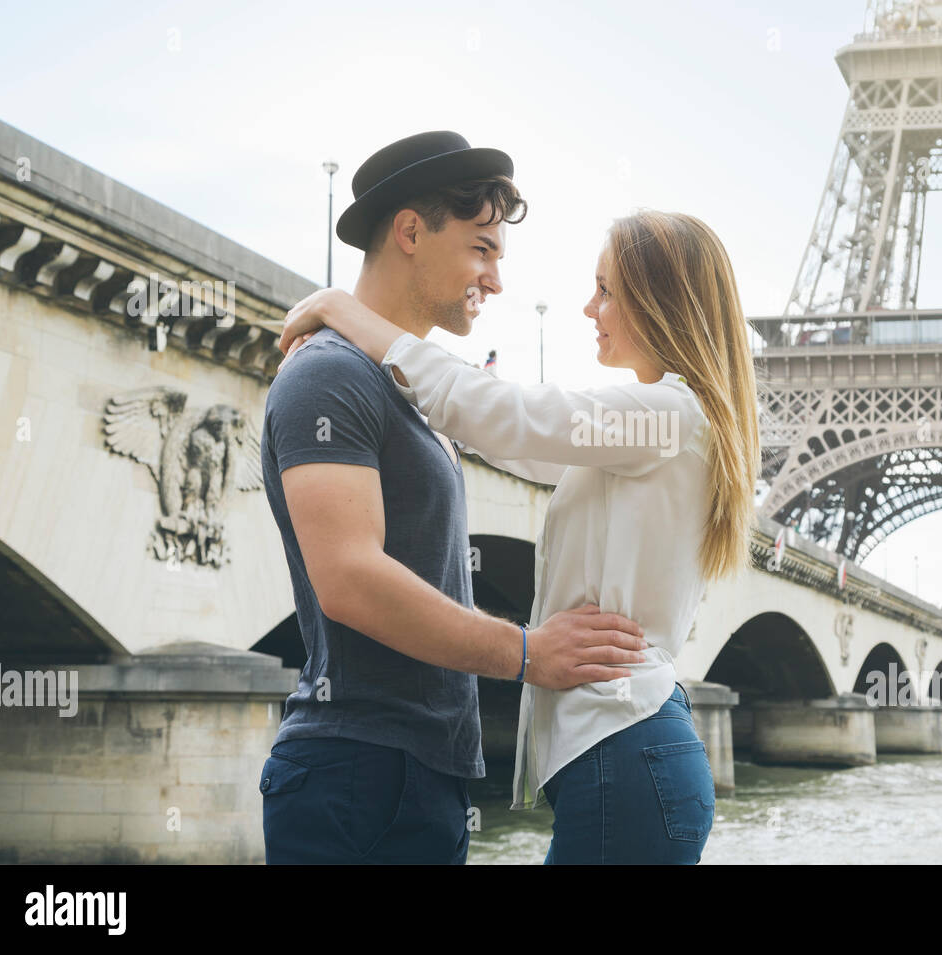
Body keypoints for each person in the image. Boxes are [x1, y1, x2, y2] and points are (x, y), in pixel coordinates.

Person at [280, 209, 760, 864]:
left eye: (607, 289)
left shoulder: (664, 417)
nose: (590, 307)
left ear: (660, 300)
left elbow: (502, 416)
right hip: (633, 751)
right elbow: (520, 444)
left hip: (624, 751)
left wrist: (347, 309)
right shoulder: (671, 424)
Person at [257, 131, 649, 865]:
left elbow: (527, 431)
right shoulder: (328, 376)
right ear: (409, 231)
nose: (496, 280)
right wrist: (528, 653)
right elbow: (348, 580)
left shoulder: (410, 393)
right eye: (482, 249)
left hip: (415, 773)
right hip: (357, 771)